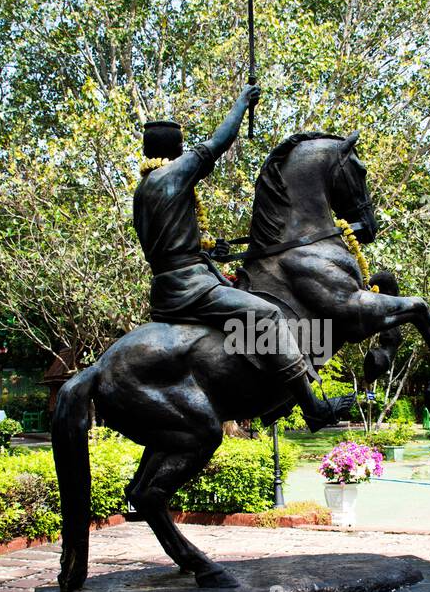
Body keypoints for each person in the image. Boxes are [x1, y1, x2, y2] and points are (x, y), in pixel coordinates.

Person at [135, 84, 352, 431]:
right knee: (266, 313)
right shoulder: (173, 174)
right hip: (189, 286)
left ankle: (269, 399)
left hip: (170, 282)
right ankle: (312, 408)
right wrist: (241, 103)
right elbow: (218, 143)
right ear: (175, 149)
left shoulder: (144, 189)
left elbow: (165, 246)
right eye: (182, 146)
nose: (187, 150)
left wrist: (208, 249)